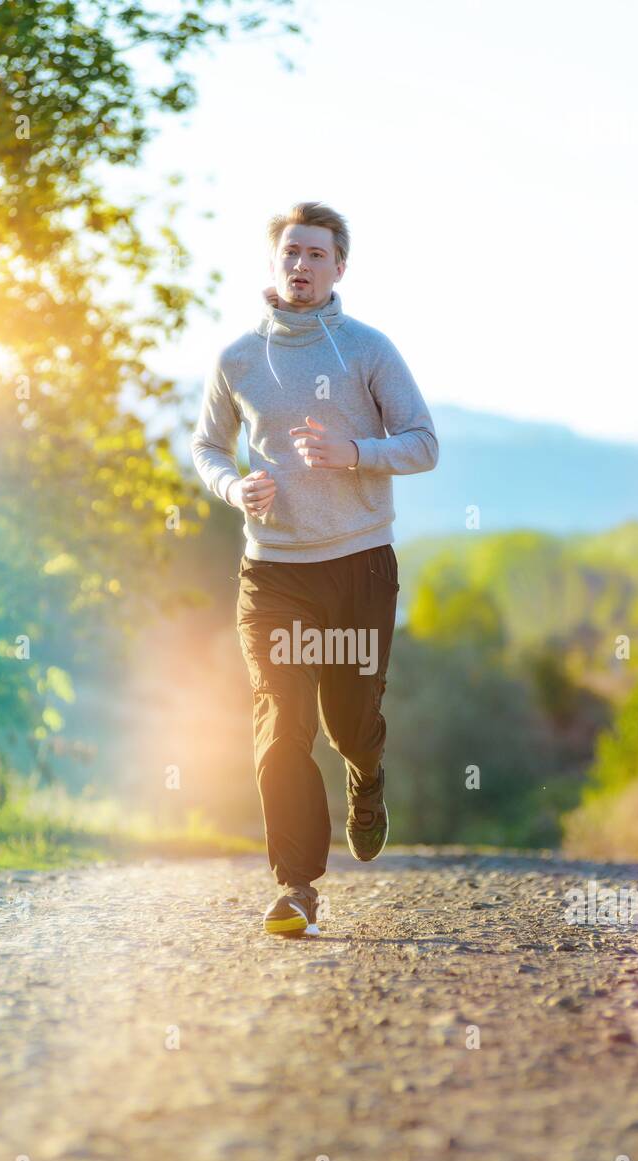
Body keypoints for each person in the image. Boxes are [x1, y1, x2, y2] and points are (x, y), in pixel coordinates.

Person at [192, 202, 438, 935]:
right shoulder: (238, 357)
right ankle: (296, 885)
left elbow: (423, 443)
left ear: (339, 267)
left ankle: (366, 778)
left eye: (316, 254)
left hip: (358, 566)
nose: (301, 264)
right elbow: (207, 447)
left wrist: (353, 454)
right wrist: (236, 486)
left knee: (348, 724)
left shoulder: (366, 350)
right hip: (273, 575)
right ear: (274, 263)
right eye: (290, 252)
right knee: (281, 723)